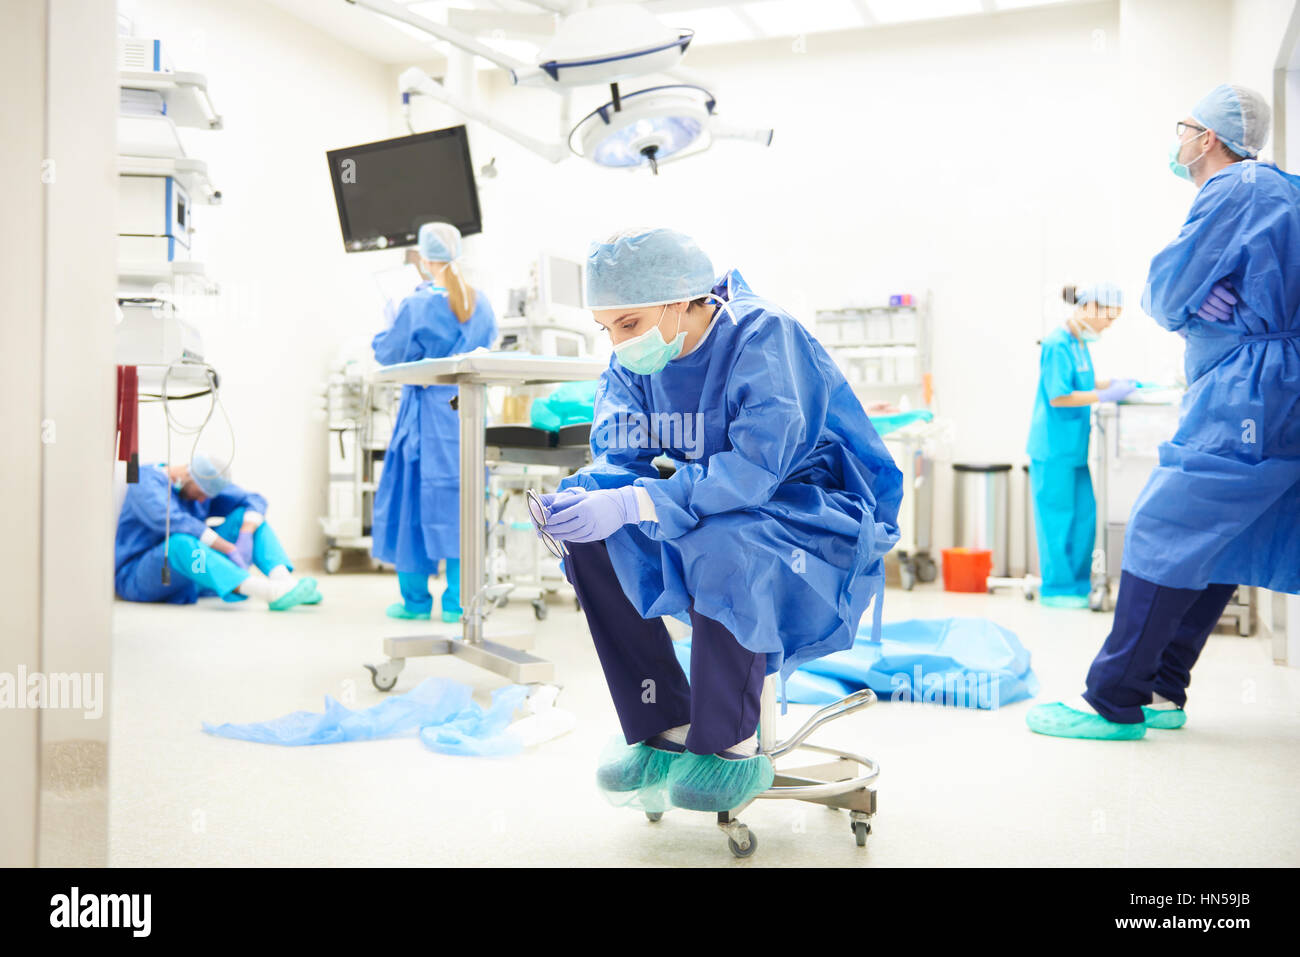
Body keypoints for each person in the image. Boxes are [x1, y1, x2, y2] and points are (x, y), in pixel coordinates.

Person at [532, 228, 903, 811]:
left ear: (681, 299)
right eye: (606, 327)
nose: (618, 341)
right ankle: (663, 722)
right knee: (592, 533)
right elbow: (619, 452)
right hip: (702, 498)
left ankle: (728, 737)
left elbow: (758, 467)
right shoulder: (637, 360)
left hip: (807, 508)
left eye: (627, 323)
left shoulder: (763, 335)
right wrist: (586, 500)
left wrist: (640, 502)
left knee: (724, 538)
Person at [1028, 83, 1300, 740]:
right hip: (1276, 387)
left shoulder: (1236, 189)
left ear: (1209, 137)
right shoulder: (1283, 189)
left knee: (1159, 523)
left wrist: (1188, 306)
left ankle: (1114, 698)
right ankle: (1162, 687)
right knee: (1223, 539)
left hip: (1250, 393)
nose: (1176, 140)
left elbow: (1166, 289)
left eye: (1184, 127)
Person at [371, 222, 497, 622]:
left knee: (411, 504)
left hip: (425, 418)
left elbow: (389, 352)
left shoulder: (417, 304)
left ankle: (415, 602)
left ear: (423, 261)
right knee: (464, 505)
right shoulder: (482, 303)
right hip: (467, 416)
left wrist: (389, 321)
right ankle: (459, 601)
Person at [1026, 283, 1136, 609]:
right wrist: (1105, 395)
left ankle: (1076, 584)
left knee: (1084, 517)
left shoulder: (1078, 344)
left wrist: (1119, 384)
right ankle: (1058, 589)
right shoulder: (1056, 344)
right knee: (1058, 522)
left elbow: (1082, 384)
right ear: (1091, 308)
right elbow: (1059, 396)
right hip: (1052, 448)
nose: (1109, 325)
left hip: (1074, 449)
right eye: (1109, 318)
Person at [115, 454, 320, 610]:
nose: (203, 501)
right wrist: (227, 547)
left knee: (246, 517)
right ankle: (267, 591)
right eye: (200, 494)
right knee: (179, 543)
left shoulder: (201, 486)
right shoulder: (144, 480)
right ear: (188, 476)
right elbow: (171, 520)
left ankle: (283, 580)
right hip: (140, 576)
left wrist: (246, 534)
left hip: (191, 574)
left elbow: (253, 500)